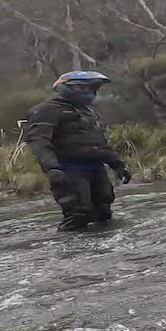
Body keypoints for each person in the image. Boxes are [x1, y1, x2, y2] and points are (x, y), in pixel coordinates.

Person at [25, 71, 132, 232]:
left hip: (96, 169)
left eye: (90, 88)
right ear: (64, 88)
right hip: (69, 169)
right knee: (77, 214)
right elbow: (38, 140)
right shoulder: (47, 110)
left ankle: (106, 251)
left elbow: (100, 142)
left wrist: (118, 165)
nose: (86, 92)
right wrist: (52, 168)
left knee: (104, 211)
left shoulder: (88, 112)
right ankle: (69, 253)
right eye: (80, 88)